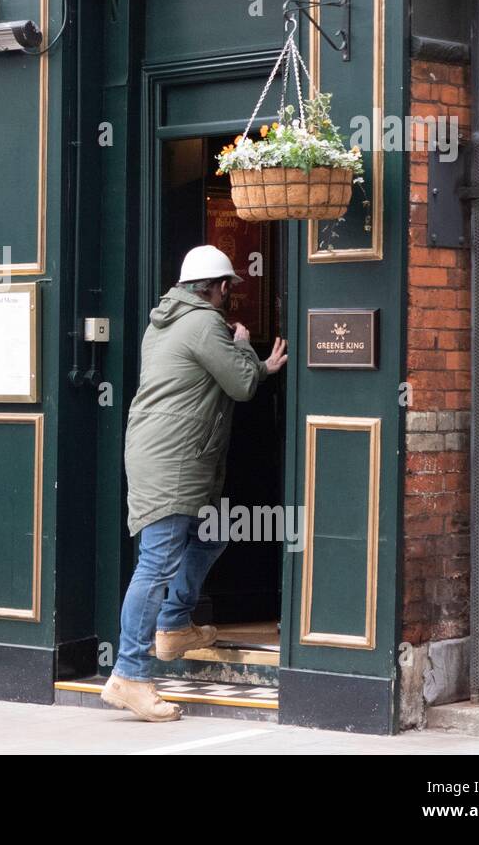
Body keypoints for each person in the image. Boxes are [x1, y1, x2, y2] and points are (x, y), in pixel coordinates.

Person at [101, 245, 288, 722]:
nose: (230, 297)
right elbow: (243, 385)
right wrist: (248, 348)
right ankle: (128, 675)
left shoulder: (161, 320)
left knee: (213, 532)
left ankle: (174, 625)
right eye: (229, 288)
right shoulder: (205, 322)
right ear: (219, 287)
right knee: (156, 564)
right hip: (174, 461)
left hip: (163, 452)